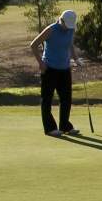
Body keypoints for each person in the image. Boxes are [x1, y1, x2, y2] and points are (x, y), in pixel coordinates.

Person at [31, 9, 80, 137]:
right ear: (61, 20)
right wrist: (40, 63)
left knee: (66, 99)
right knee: (47, 99)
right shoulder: (51, 29)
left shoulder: (71, 29)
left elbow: (70, 45)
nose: (67, 28)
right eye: (66, 25)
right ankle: (50, 128)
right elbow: (34, 45)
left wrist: (76, 59)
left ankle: (65, 126)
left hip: (64, 68)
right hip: (50, 69)